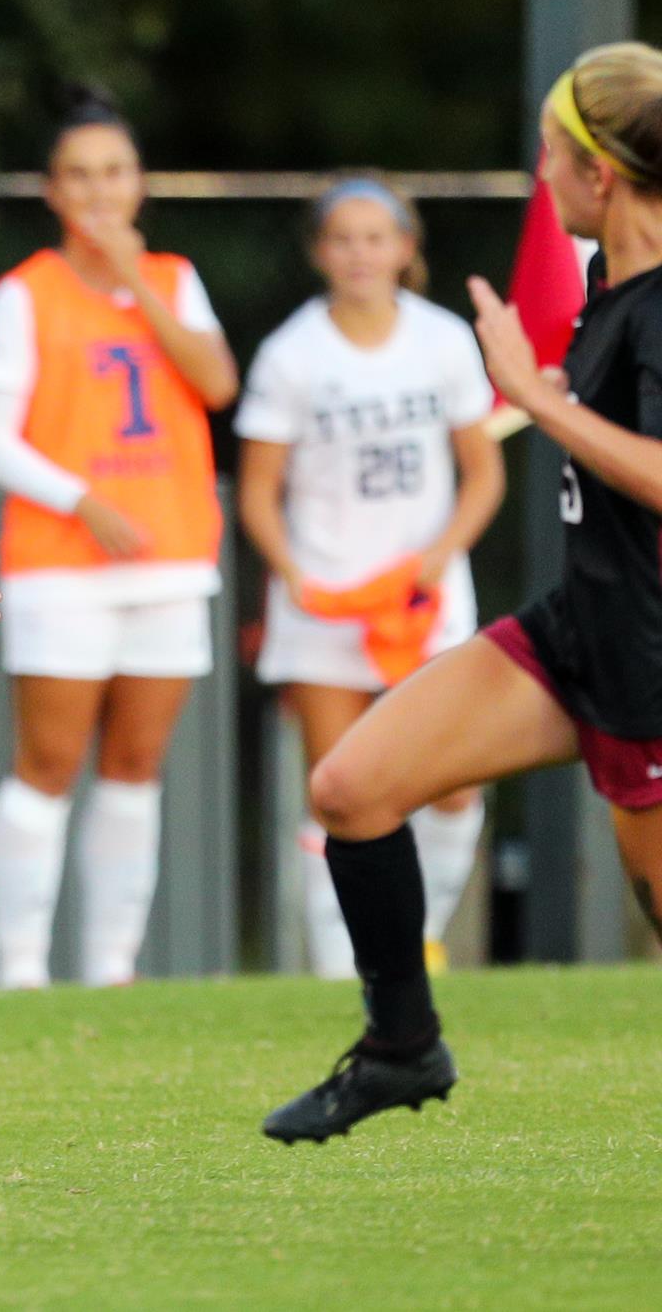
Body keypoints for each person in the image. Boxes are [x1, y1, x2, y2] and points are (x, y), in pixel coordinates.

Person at [263, 42, 662, 1143]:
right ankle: (400, 1046)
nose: (542, 173)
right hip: (572, 627)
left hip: (648, 654)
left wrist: (532, 395)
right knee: (350, 789)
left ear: (605, 176)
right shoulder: (603, 278)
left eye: (554, 155)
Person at [0, 86, 238, 990]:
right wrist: (81, 499)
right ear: (51, 190)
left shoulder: (176, 279)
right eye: (79, 176)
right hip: (62, 565)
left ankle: (114, 967)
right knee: (48, 763)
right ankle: (21, 969)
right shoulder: (22, 296)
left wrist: (139, 281)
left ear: (140, 182)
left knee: (135, 765)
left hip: (171, 556)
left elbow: (216, 382)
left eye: (115, 173)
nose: (99, 192)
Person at [236, 178, 505, 980]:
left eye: (376, 236)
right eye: (343, 238)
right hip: (327, 607)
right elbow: (258, 493)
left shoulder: (446, 339)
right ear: (320, 252)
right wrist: (300, 579)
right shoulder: (292, 353)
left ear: (406, 248)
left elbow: (483, 473)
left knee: (453, 785)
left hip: (423, 602)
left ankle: (414, 935)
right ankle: (337, 968)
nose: (360, 253)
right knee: (340, 789)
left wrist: (438, 554)